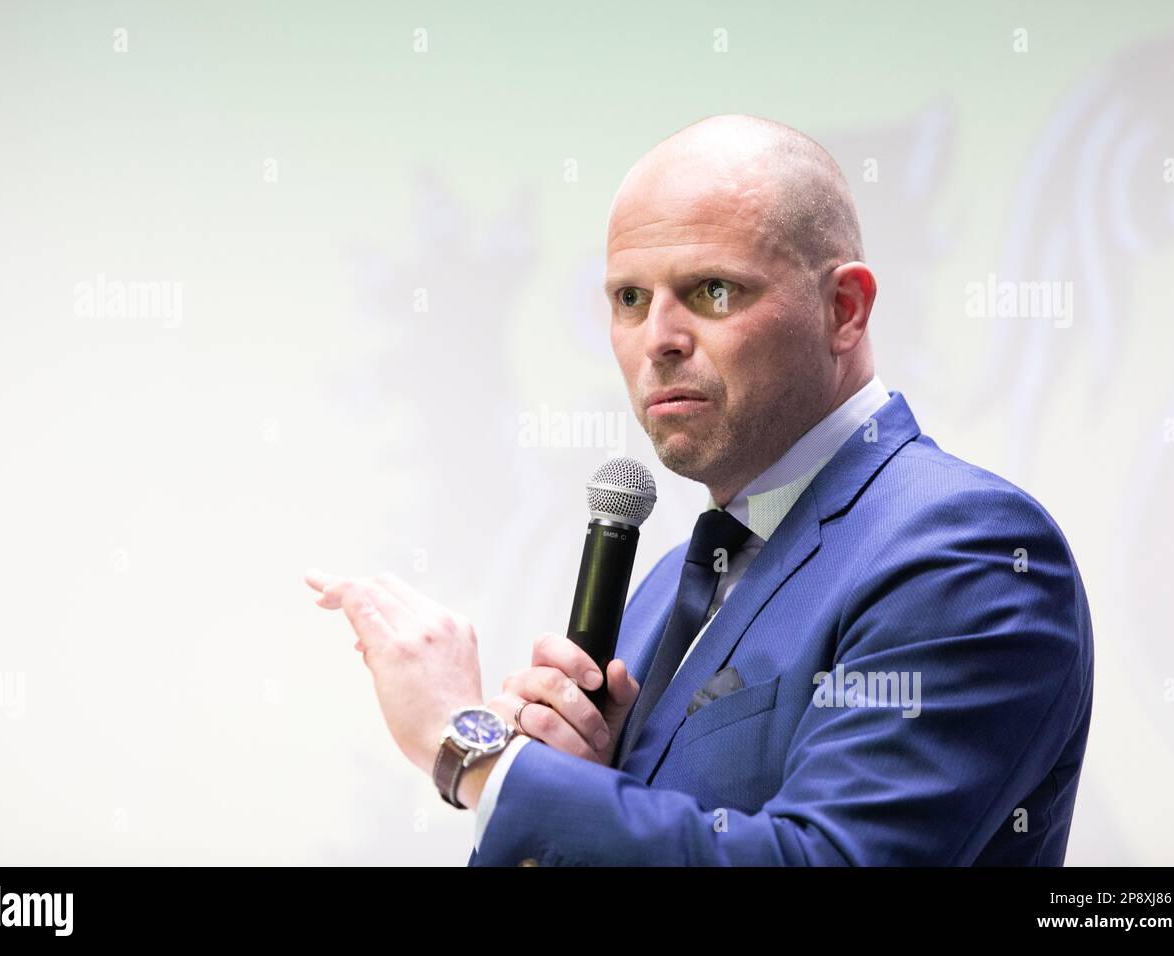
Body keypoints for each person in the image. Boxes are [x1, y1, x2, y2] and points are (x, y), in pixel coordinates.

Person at [306, 113, 1094, 866]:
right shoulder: (665, 587)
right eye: (630, 299)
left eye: (714, 291)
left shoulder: (968, 552)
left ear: (844, 310)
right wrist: (578, 790)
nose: (660, 340)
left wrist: (471, 749)